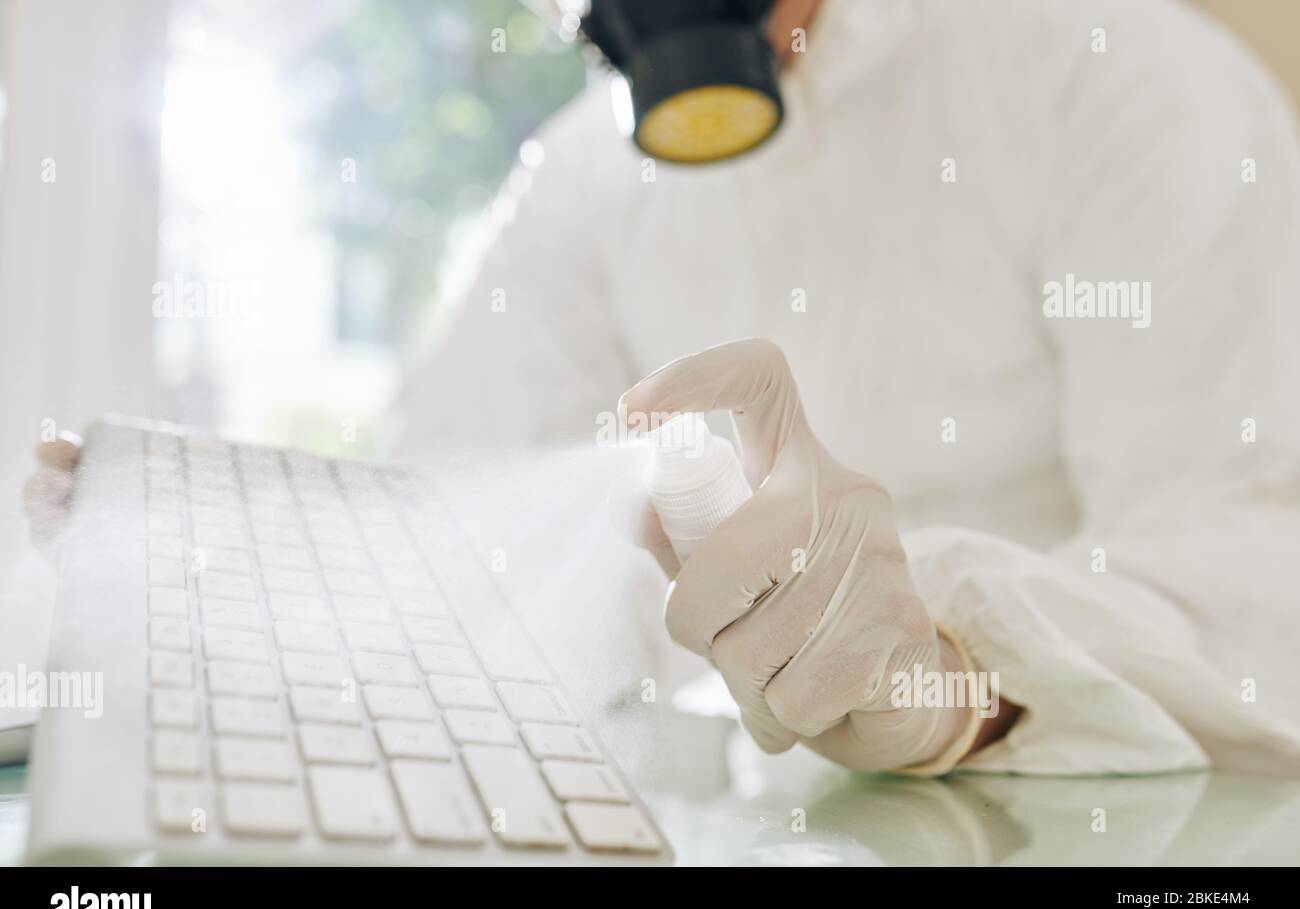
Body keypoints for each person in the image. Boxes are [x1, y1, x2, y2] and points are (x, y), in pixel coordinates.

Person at [27, 0, 1300, 775]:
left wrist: (963, 681)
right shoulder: (586, 176)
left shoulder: (1111, 78)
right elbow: (471, 529)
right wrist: (231, 559)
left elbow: (1258, 578)